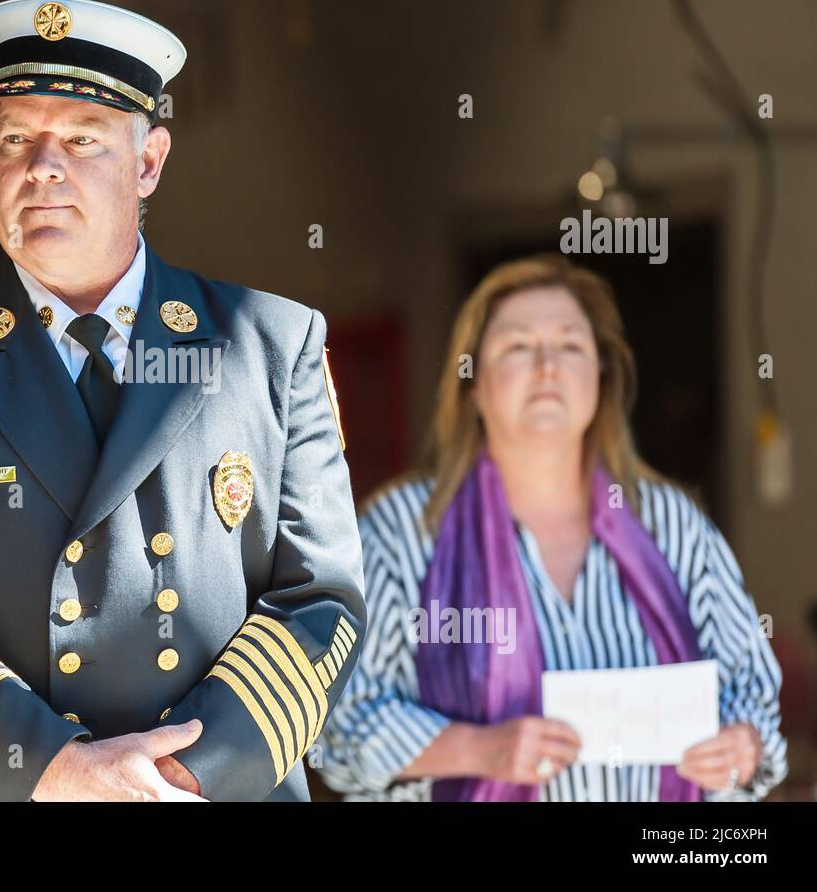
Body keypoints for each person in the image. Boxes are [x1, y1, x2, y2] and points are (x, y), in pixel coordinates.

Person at [0, 0, 365, 801]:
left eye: (81, 139)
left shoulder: (272, 346)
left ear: (148, 163)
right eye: (14, 139)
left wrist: (168, 780)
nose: (42, 166)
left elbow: (321, 600)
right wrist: (59, 771)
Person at [319, 254, 787, 801]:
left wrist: (742, 747)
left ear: (600, 377)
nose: (548, 366)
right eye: (518, 347)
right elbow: (334, 724)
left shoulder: (671, 524)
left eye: (570, 346)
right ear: (472, 384)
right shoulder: (402, 530)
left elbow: (750, 689)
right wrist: (478, 748)